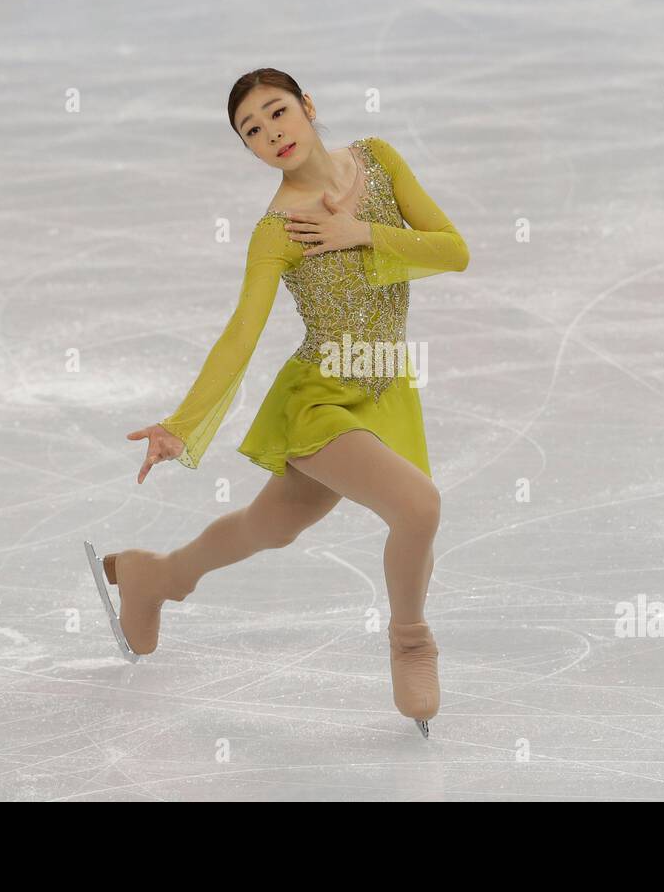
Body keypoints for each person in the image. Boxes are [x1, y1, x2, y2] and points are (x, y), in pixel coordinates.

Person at [83, 68, 469, 737]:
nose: (271, 133)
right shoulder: (277, 229)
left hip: (384, 387)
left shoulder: (378, 159)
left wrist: (363, 234)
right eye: (252, 131)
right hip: (321, 403)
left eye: (277, 112)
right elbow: (241, 333)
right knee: (419, 507)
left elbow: (453, 250)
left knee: (271, 527)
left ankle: (156, 577)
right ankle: (411, 641)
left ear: (307, 106)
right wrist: (182, 424)